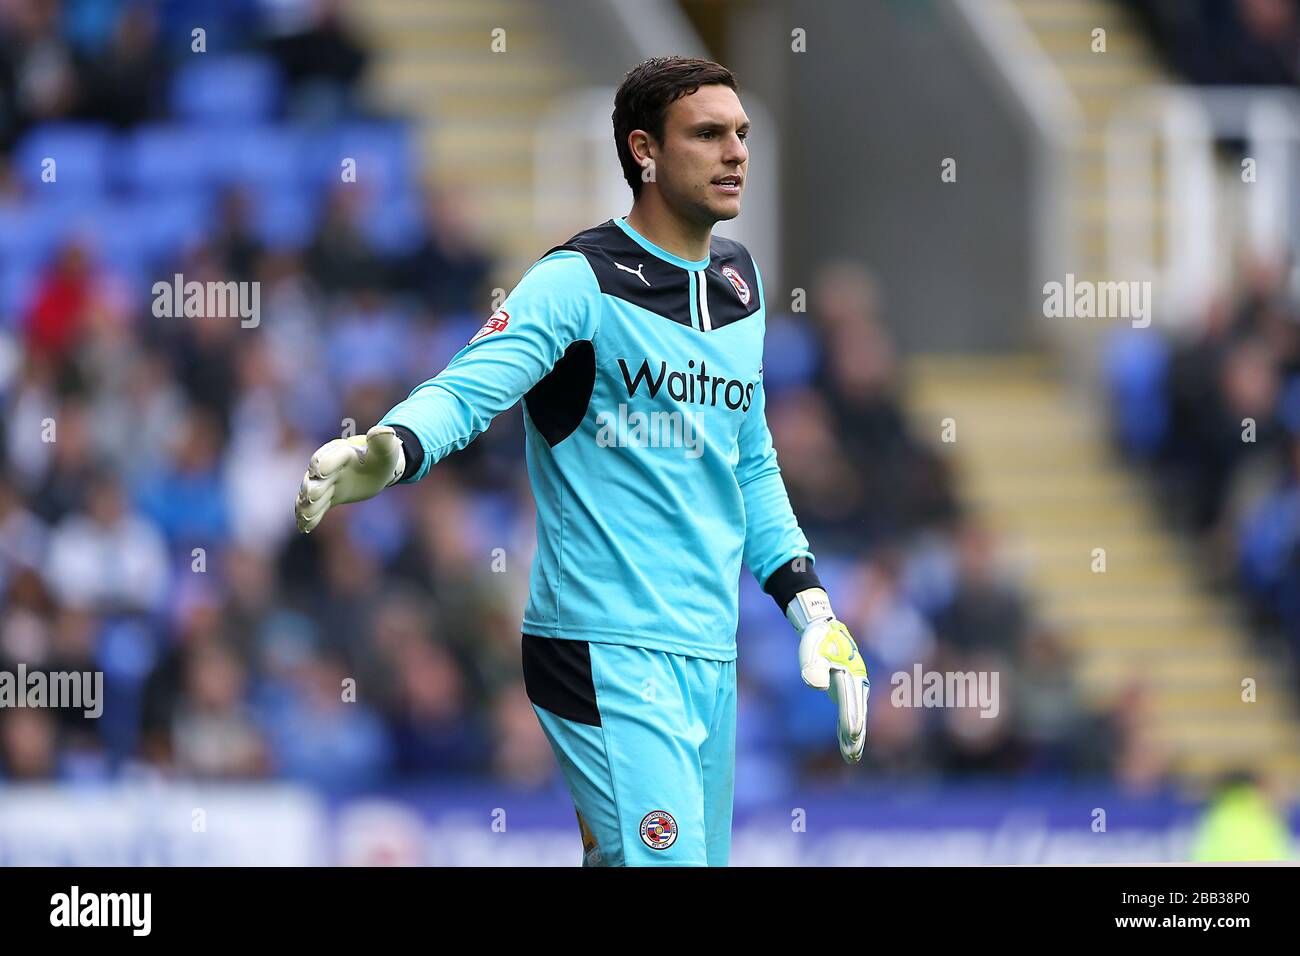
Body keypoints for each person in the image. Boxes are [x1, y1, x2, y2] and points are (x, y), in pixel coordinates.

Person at [293, 56, 870, 866]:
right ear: (644, 150)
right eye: (707, 135)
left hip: (708, 654)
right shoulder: (578, 281)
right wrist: (394, 448)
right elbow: (469, 387)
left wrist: (813, 610)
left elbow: (748, 464)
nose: (736, 152)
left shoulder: (741, 284)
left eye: (739, 134)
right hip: (602, 647)